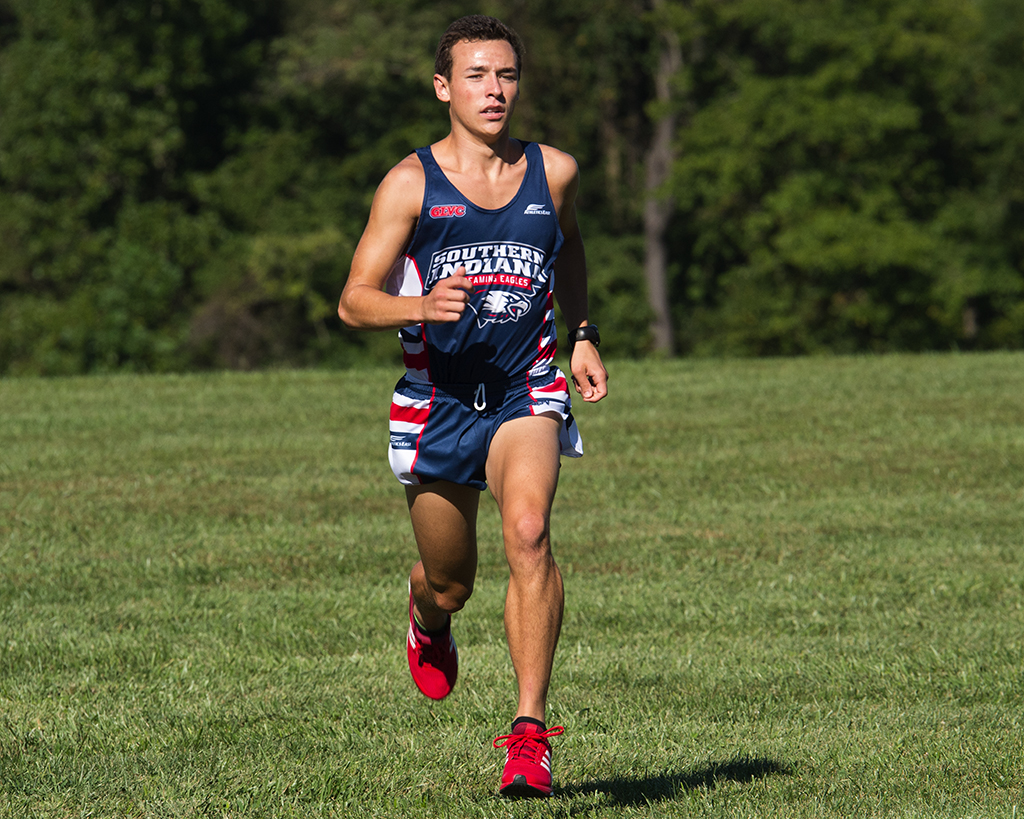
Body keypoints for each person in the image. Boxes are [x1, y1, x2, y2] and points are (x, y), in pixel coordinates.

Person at [337, 14, 607, 798]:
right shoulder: (410, 184)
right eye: (477, 76)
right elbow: (353, 301)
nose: (494, 90)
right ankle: (429, 616)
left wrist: (582, 333)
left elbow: (571, 248)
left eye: (507, 75)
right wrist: (419, 308)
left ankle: (529, 734)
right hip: (440, 401)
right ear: (443, 87)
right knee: (451, 580)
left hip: (527, 388)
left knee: (529, 532)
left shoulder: (554, 171)